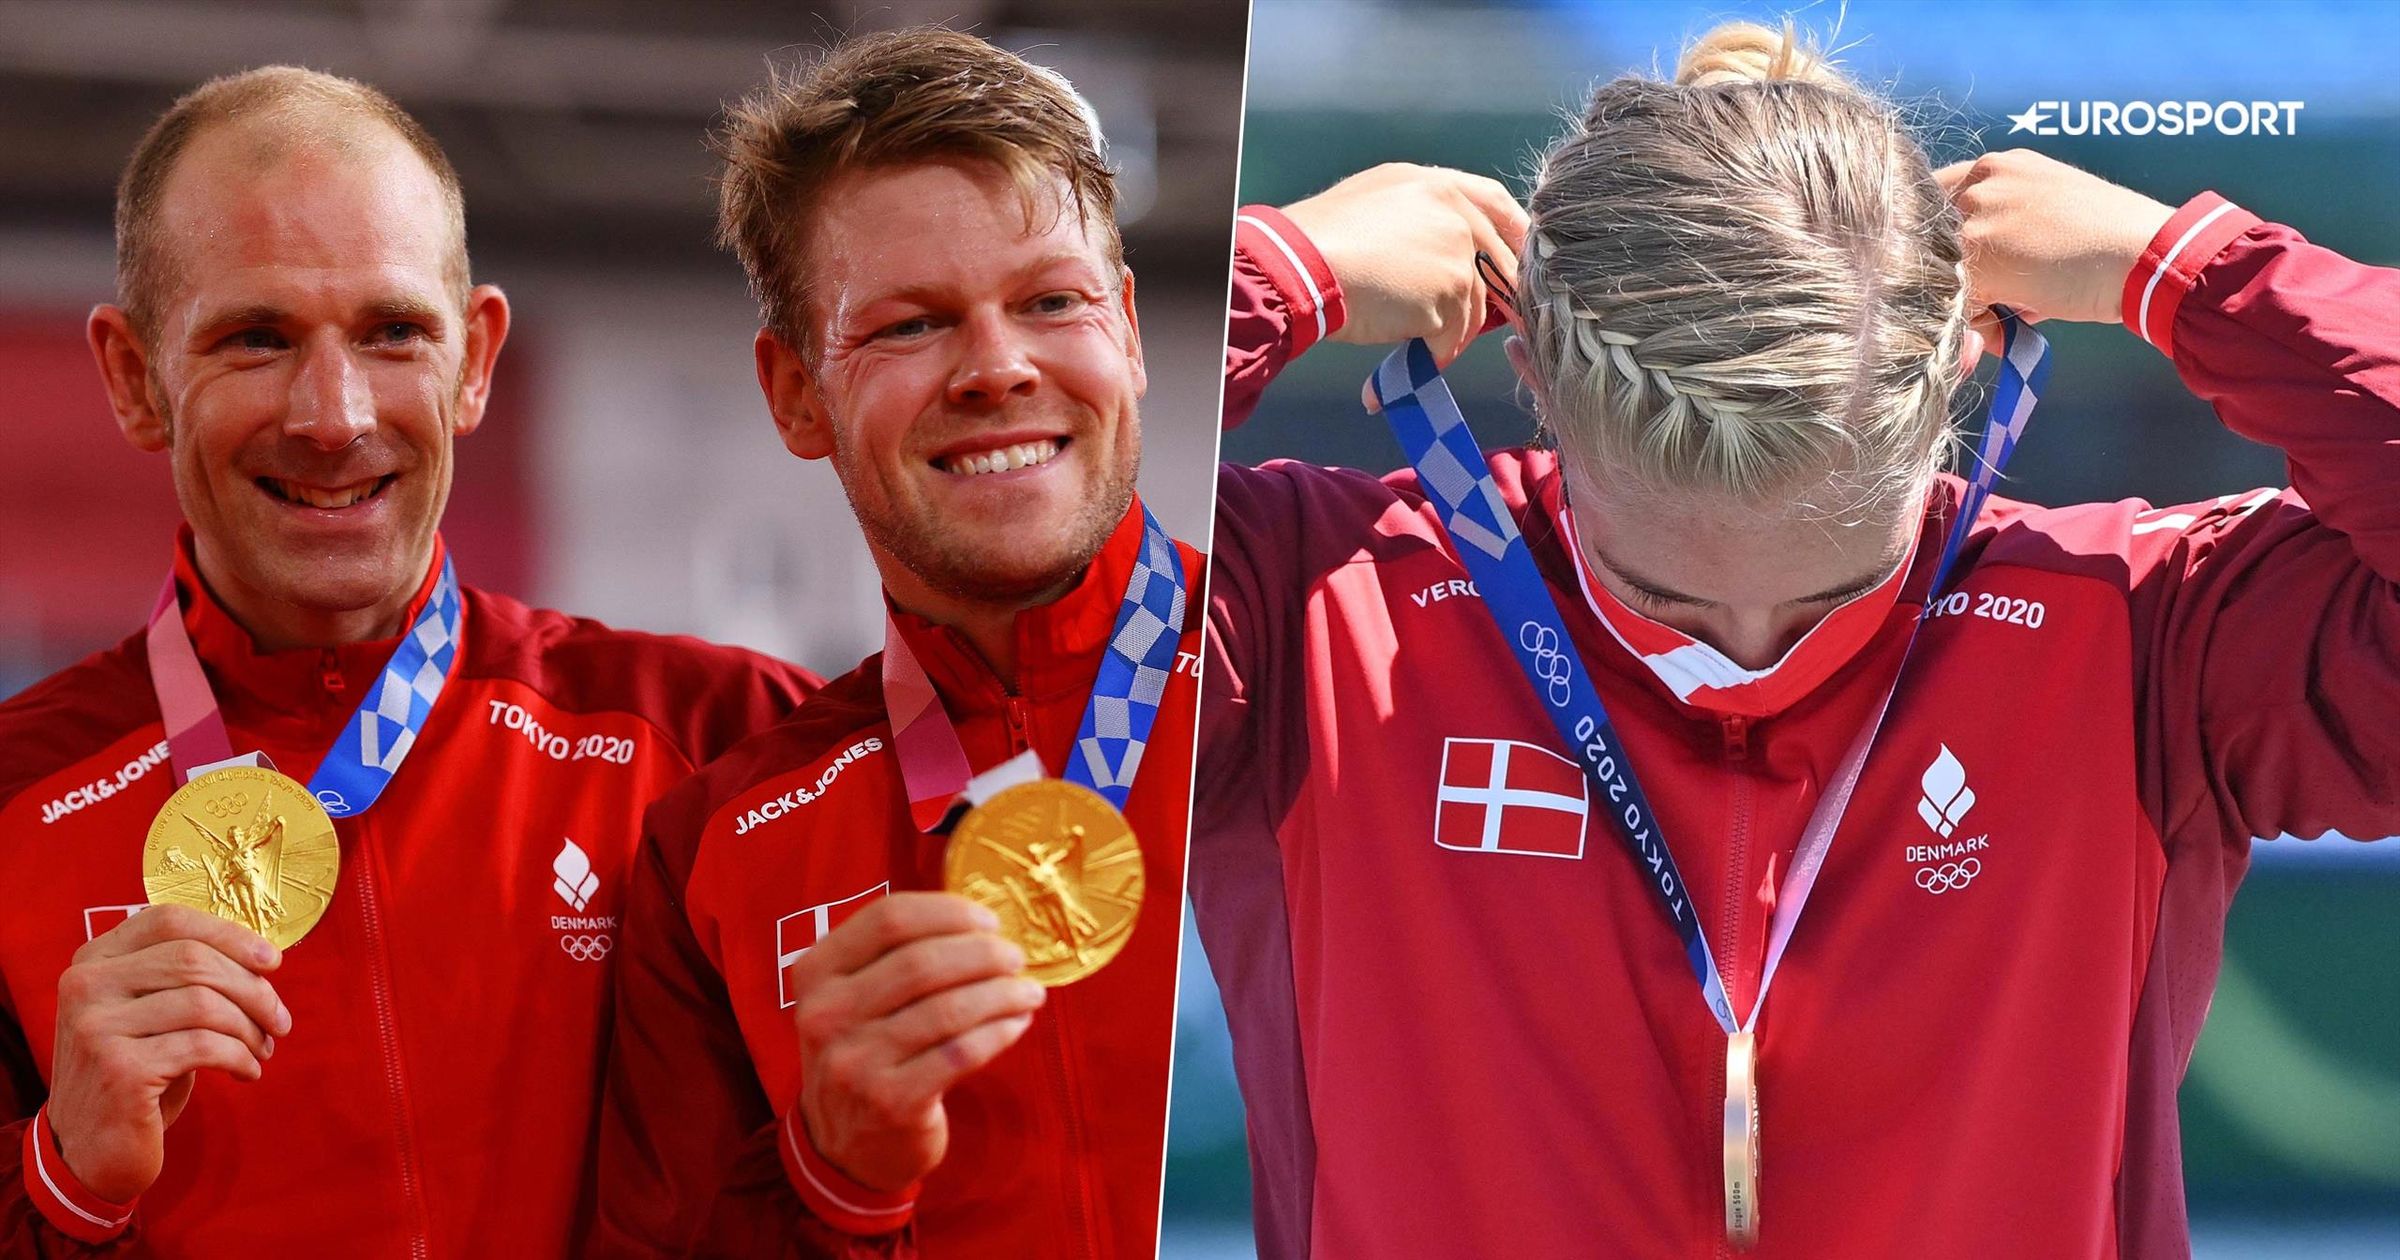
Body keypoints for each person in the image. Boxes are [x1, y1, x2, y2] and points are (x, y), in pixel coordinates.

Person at [1198, 21, 2400, 1259]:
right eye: (1661, 602)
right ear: (1534, 377)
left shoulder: (2149, 627)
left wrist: (2190, 268)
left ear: (1958, 386)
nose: (1751, 657)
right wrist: (1274, 271)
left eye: (1840, 602)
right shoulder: (1312, 604)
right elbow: (996, 549)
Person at [0, 67, 818, 1254]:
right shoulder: (11, 806)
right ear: (134, 378)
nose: (333, 415)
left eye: (392, 333)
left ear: (476, 360)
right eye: (255, 337)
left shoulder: (726, 740)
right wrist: (65, 1181)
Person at [591, 28, 1202, 1258]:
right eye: (911, 326)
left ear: (1126, 330)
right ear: (796, 395)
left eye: (1051, 301)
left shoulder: (1316, 664)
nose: (997, 367)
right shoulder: (714, 851)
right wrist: (835, 1182)